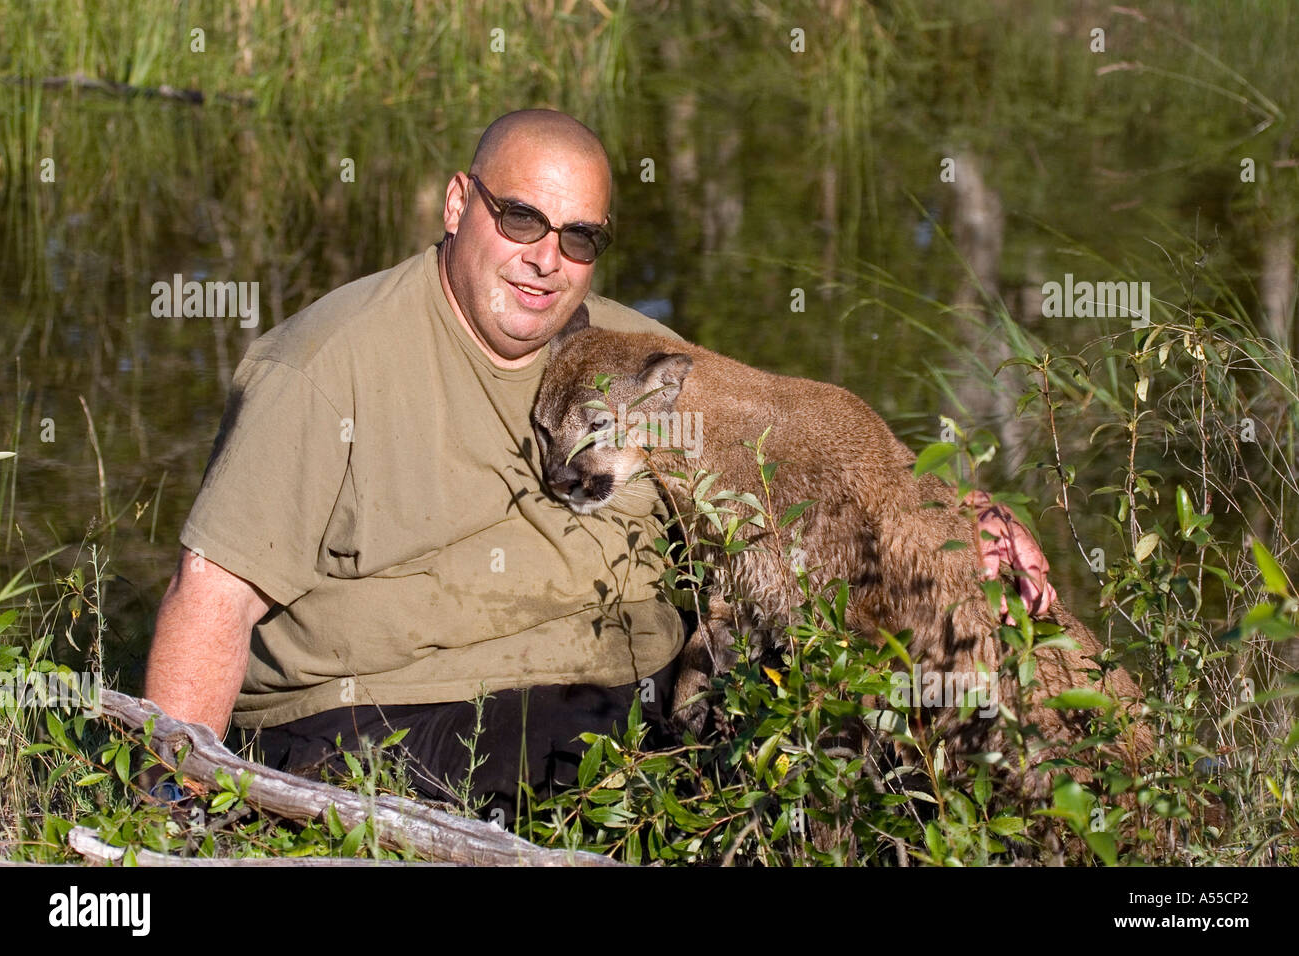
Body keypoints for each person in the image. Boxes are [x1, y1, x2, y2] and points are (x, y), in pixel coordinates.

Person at [143, 109, 1055, 820]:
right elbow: (209, 596)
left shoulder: (625, 354)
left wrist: (956, 507)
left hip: (619, 694)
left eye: (580, 237)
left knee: (857, 746)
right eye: (521, 218)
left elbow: (803, 429)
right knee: (597, 775)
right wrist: (171, 808)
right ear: (459, 204)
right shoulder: (325, 367)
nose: (548, 260)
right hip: (388, 713)